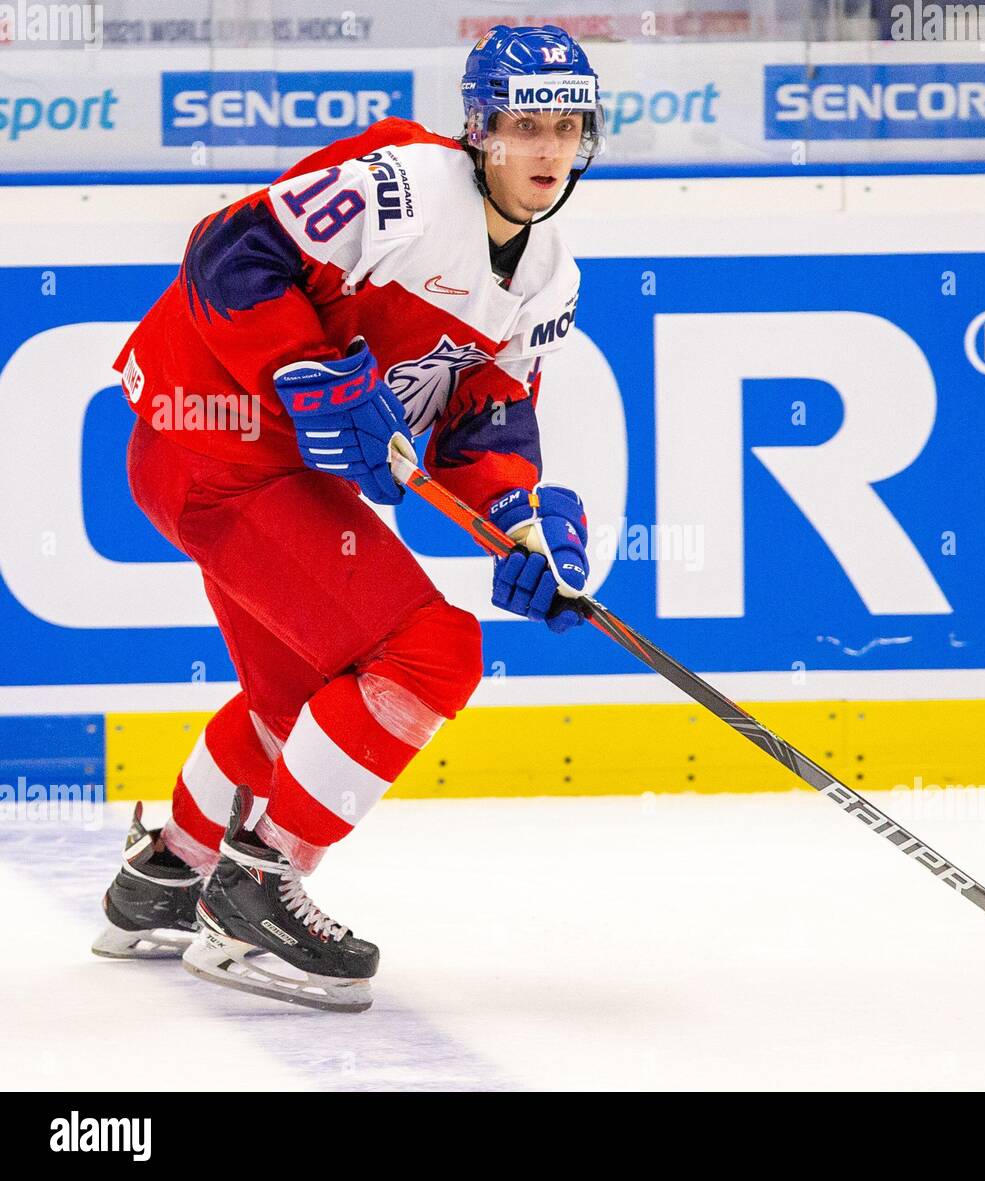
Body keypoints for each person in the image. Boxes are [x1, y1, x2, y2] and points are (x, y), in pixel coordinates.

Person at [90, 24, 606, 1012]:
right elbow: (229, 252)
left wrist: (520, 523)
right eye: (525, 125)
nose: (547, 149)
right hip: (212, 443)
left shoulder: (550, 279)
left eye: (566, 127)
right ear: (480, 129)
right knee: (432, 651)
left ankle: (166, 876)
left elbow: (484, 415)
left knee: (304, 700)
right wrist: (305, 368)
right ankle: (255, 890)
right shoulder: (403, 186)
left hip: (261, 471)